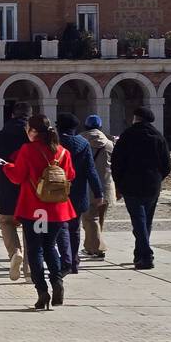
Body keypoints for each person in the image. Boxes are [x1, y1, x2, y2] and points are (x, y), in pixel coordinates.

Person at [0, 114, 75, 310]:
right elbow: (71, 175)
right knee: (50, 247)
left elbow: (18, 176)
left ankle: (42, 292)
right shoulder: (62, 151)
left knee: (35, 250)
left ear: (32, 131)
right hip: (57, 209)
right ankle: (57, 282)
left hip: (35, 208)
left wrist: (7, 167)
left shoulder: (28, 150)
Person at [111, 106, 171, 270]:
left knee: (138, 221)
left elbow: (117, 162)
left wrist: (118, 182)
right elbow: (166, 164)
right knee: (146, 221)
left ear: (136, 118)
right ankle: (139, 254)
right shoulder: (158, 137)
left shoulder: (127, 136)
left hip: (131, 184)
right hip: (152, 185)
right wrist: (158, 178)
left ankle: (146, 255)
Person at [0, 100, 31, 282]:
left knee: (6, 222)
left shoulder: (1, 135)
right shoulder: (33, 135)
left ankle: (14, 253)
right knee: (31, 227)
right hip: (31, 186)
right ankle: (30, 270)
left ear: (12, 114)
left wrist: (5, 166)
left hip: (7, 185)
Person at [56, 113, 103, 276]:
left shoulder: (55, 144)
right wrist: (98, 193)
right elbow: (91, 170)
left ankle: (65, 260)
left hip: (57, 191)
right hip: (78, 192)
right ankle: (74, 261)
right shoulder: (83, 143)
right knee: (74, 229)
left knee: (60, 227)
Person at [80, 114, 115, 258]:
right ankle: (93, 245)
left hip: (88, 186)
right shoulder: (109, 144)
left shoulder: (81, 142)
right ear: (100, 127)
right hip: (106, 186)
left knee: (89, 219)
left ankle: (96, 248)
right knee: (99, 219)